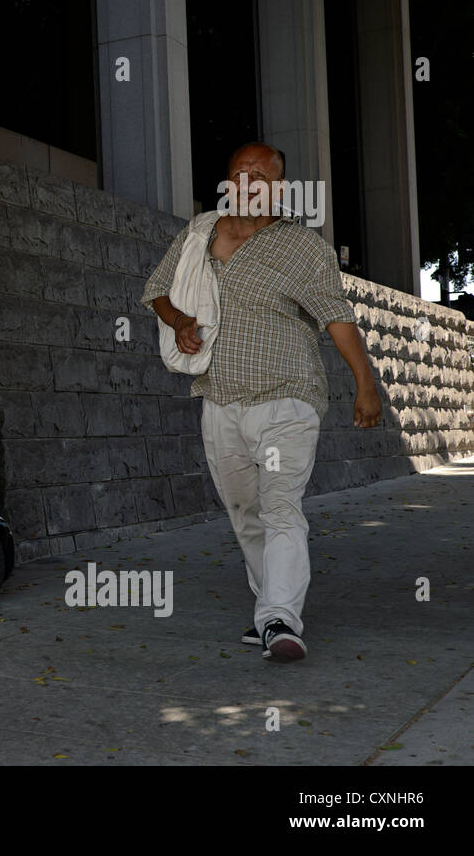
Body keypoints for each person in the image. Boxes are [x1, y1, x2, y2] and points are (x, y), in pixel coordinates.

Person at [141, 141, 382, 663]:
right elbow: (158, 289)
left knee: (280, 507)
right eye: (238, 175)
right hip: (219, 398)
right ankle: (269, 610)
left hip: (287, 399)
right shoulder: (199, 232)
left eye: (259, 176)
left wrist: (365, 382)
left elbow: (337, 319)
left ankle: (279, 618)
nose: (247, 183)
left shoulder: (304, 248)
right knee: (245, 513)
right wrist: (179, 321)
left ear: (280, 187)